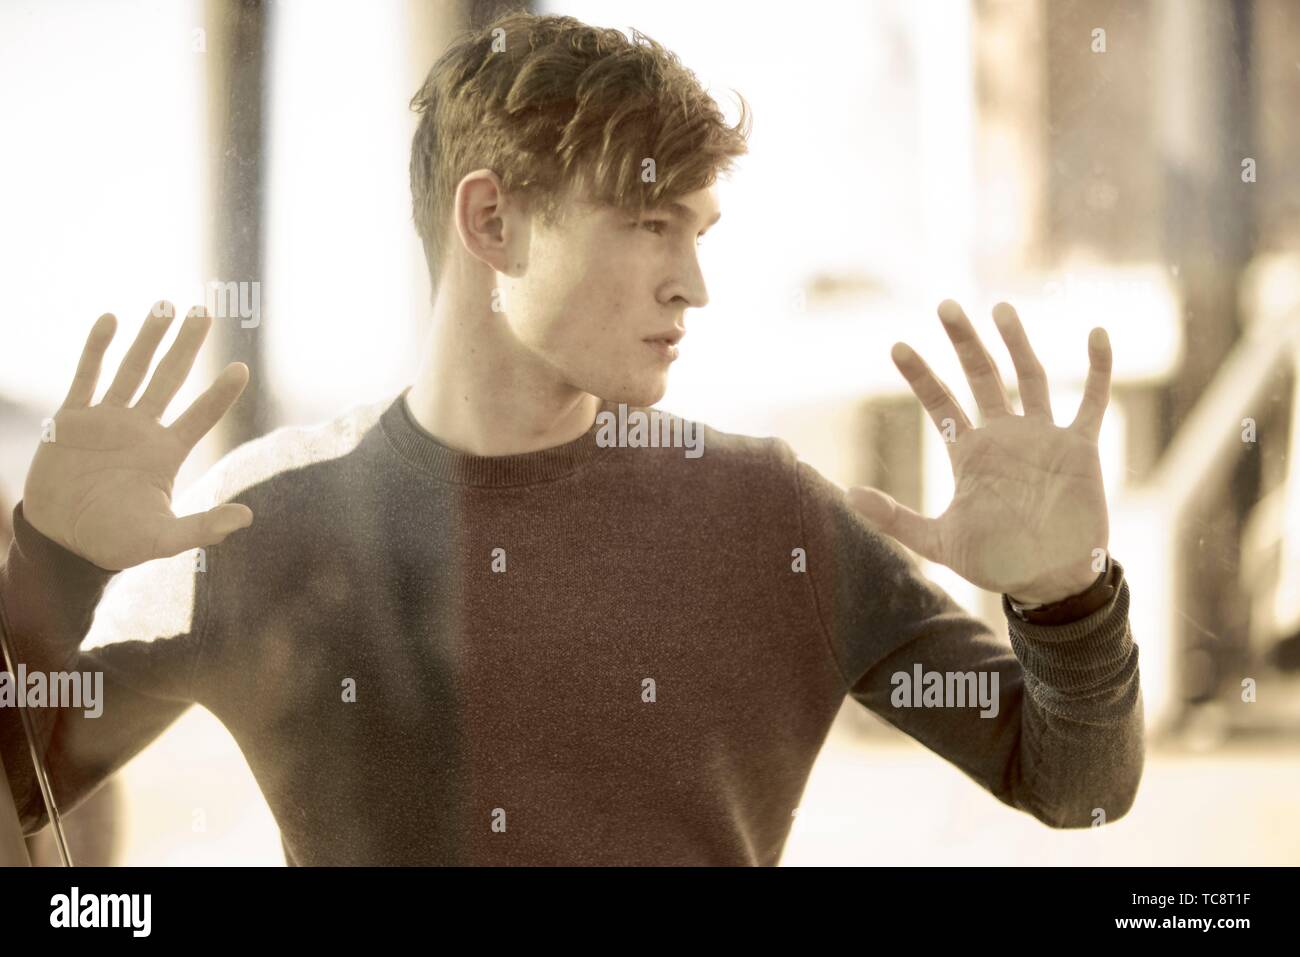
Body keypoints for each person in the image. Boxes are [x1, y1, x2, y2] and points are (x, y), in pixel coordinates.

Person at [0, 11, 1142, 866]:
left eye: (697, 232)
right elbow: (26, 800)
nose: (693, 283)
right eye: (649, 224)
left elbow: (1074, 785)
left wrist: (1063, 598)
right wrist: (47, 572)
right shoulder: (257, 522)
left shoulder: (768, 518)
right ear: (492, 221)